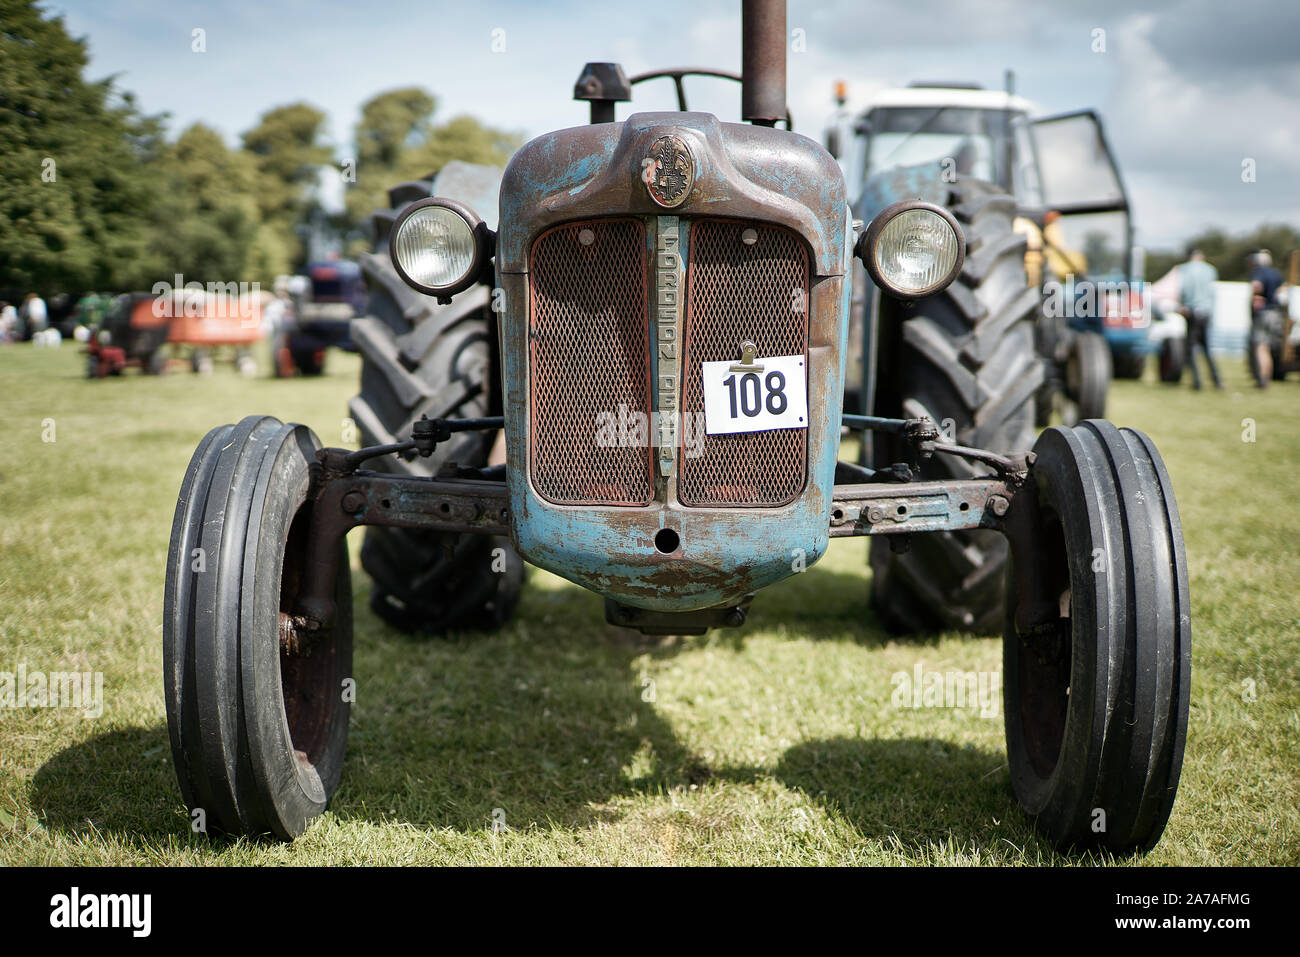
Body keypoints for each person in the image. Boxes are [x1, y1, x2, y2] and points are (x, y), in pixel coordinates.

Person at [1178, 247, 1221, 390]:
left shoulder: (1184, 269)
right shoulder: (1210, 270)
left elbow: (1184, 288)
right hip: (1206, 312)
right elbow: (1212, 292)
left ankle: (1197, 382)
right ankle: (1217, 381)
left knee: (1190, 349)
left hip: (1192, 311)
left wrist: (1183, 304)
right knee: (1207, 348)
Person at [1249, 250, 1284, 388]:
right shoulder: (1276, 273)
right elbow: (1281, 290)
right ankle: (1267, 376)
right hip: (1275, 312)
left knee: (1260, 346)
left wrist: (1256, 299)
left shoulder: (1259, 272)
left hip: (1263, 313)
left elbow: (1256, 286)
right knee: (1268, 347)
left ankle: (1262, 379)